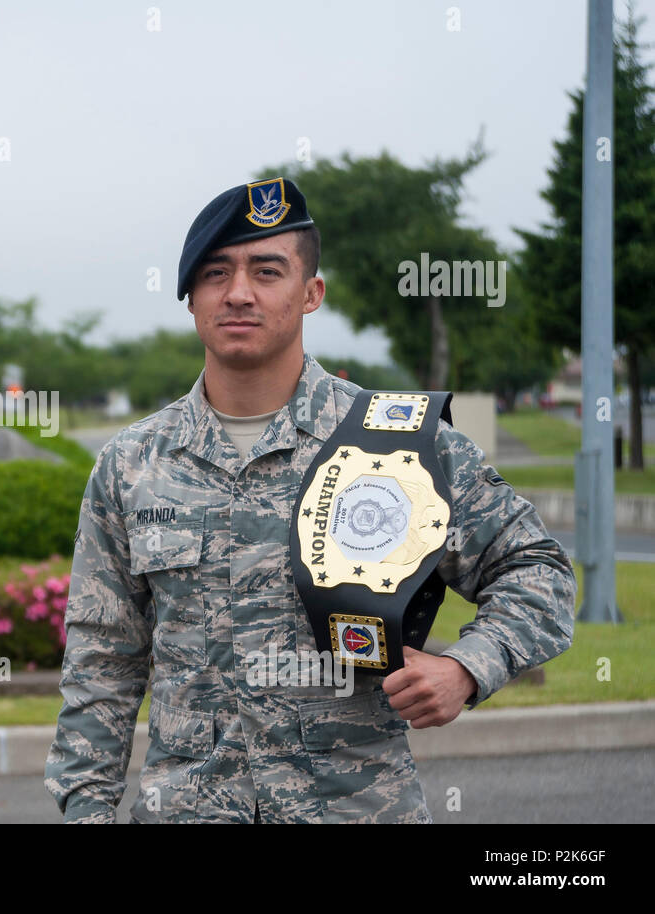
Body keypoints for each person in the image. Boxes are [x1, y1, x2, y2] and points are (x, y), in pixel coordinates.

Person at [43, 176, 576, 823]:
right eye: (215, 274)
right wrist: (86, 812)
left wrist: (467, 667)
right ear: (190, 299)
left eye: (267, 271)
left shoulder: (396, 445)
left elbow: (538, 570)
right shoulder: (133, 464)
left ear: (311, 292)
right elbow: (103, 659)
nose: (239, 292)